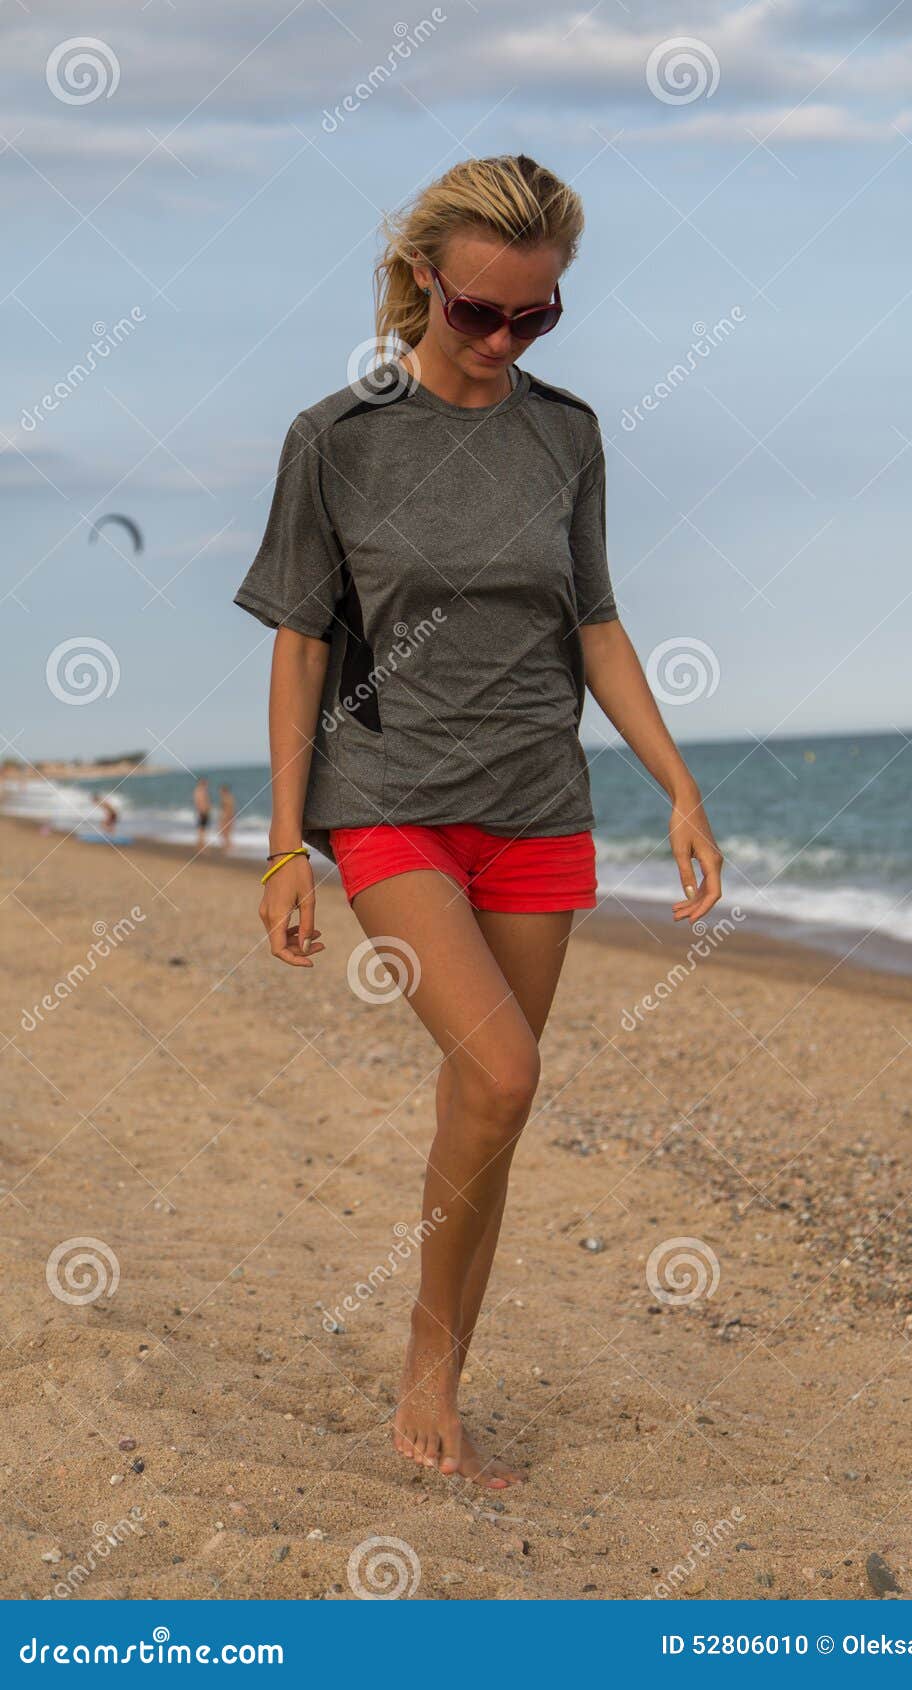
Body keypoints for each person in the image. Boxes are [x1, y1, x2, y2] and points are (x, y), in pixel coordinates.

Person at [236, 154, 723, 1489]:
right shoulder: (335, 439)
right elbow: (297, 646)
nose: (502, 340)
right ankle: (423, 1363)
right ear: (420, 287)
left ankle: (445, 1366)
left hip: (534, 804)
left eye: (536, 315)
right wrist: (285, 841)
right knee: (504, 1073)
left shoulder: (562, 434)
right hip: (387, 800)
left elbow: (595, 621)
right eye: (478, 313)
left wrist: (674, 783)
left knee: (484, 1101)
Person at [193, 777, 211, 849]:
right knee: (202, 829)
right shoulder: (199, 791)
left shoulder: (203, 791)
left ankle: (201, 843)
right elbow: (197, 802)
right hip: (202, 812)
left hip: (204, 812)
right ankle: (201, 844)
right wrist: (201, 811)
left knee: (203, 828)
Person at [218, 783, 235, 854]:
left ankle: (227, 848)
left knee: (225, 834)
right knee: (226, 834)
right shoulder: (229, 797)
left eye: (221, 790)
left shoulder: (226, 798)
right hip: (228, 817)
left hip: (227, 818)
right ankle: (227, 848)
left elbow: (229, 810)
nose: (219, 792)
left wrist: (226, 819)